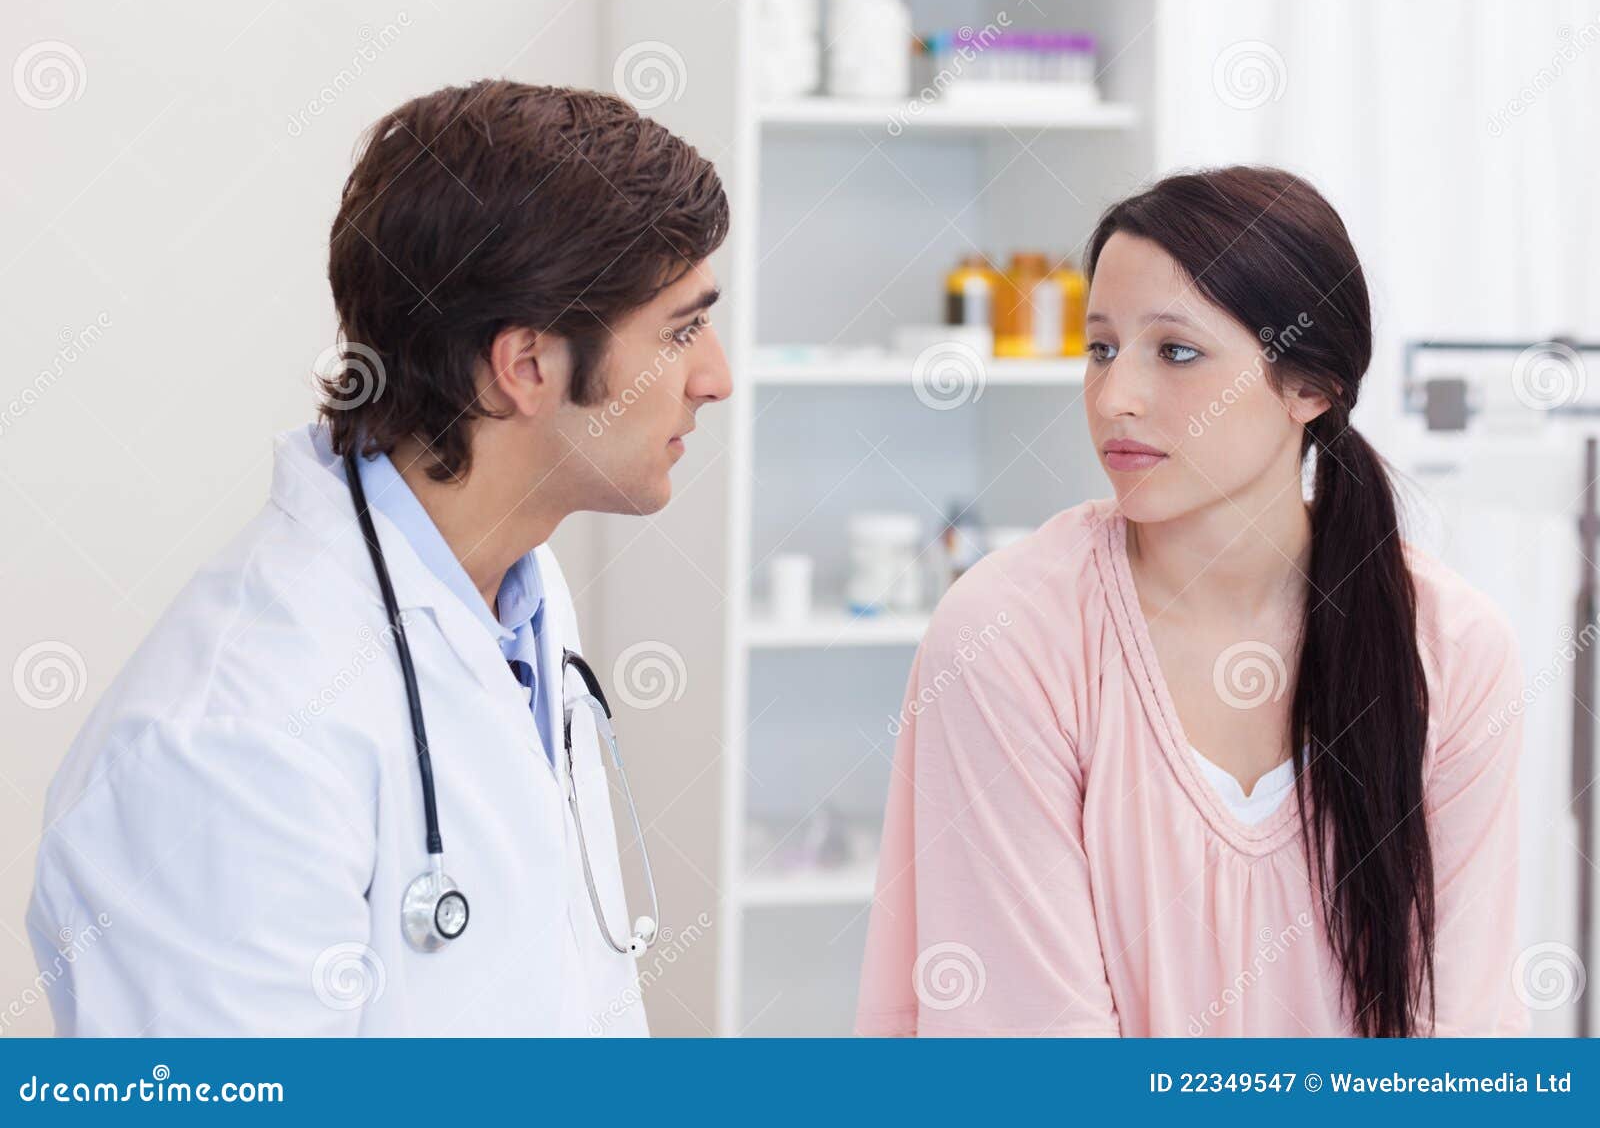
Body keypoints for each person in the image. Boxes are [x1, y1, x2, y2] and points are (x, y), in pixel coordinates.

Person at [27, 79, 732, 1035]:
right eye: (683, 329)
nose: (715, 378)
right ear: (526, 365)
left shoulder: (514, 596)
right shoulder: (232, 742)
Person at [855, 165, 1529, 1037]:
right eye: (1100, 349)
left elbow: (1462, 1033)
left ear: (1309, 387)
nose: (1114, 397)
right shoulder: (1008, 635)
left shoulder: (1456, 649)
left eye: (1175, 351)